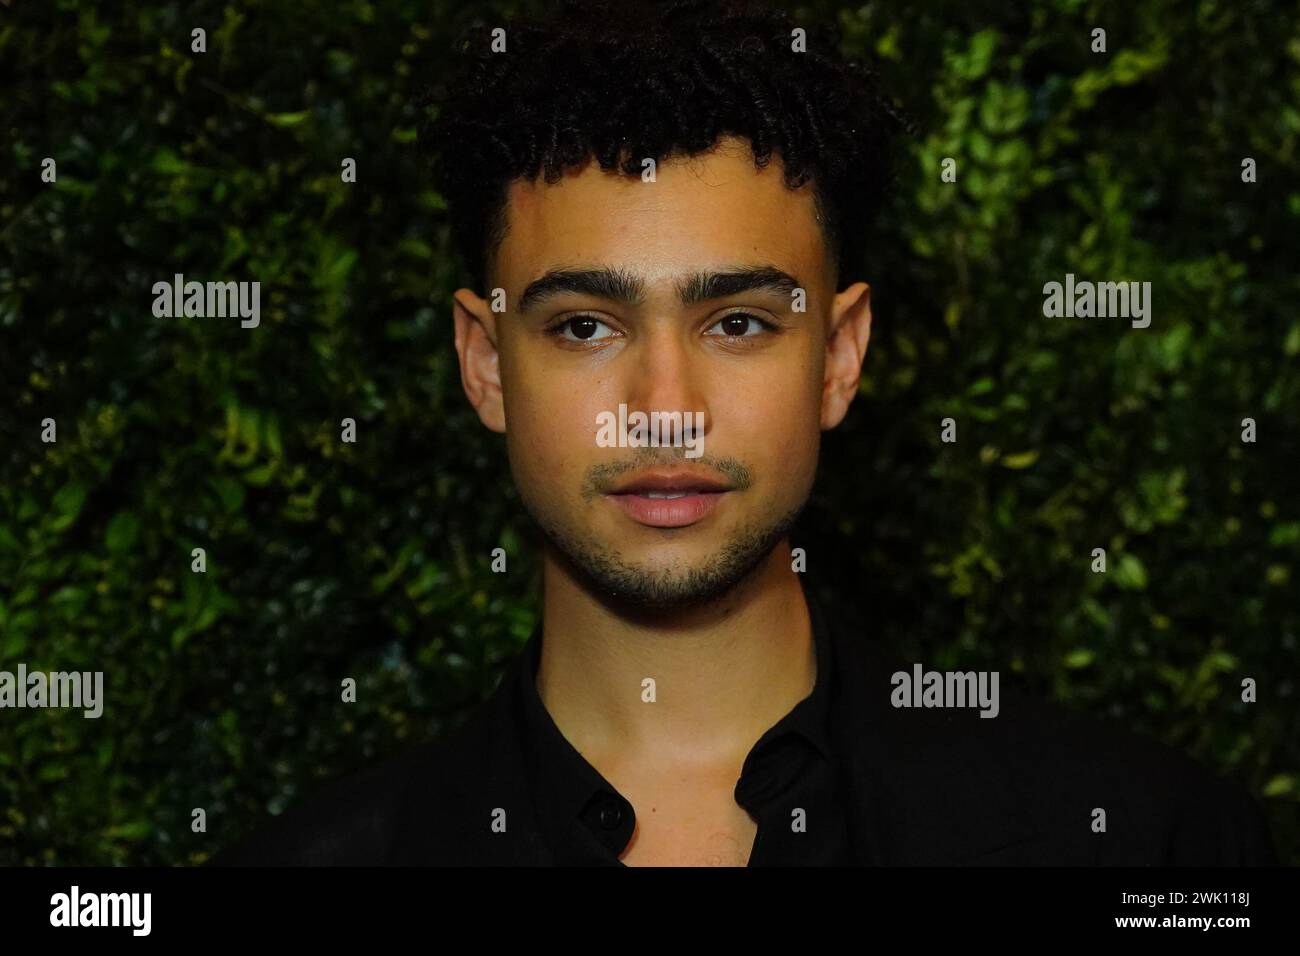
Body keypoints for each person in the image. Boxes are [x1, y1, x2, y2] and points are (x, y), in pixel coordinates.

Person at [210, 0, 1275, 866]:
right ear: (486, 362)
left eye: (738, 323)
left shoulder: (1145, 843)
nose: (665, 401)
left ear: (840, 355)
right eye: (584, 325)